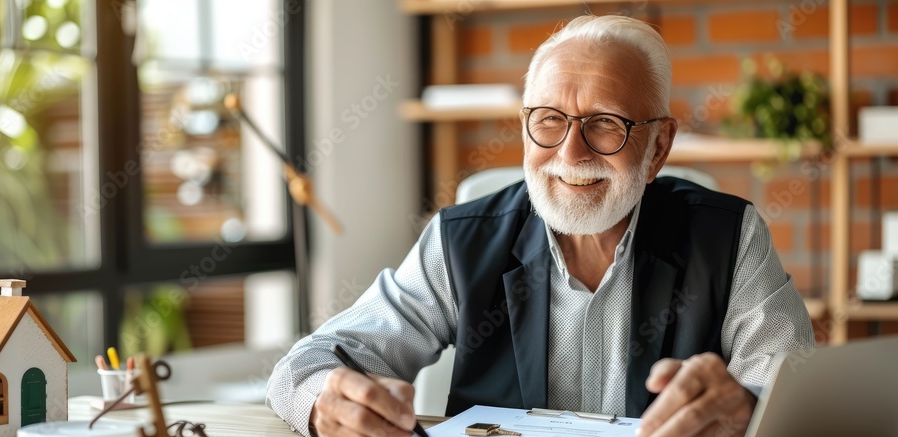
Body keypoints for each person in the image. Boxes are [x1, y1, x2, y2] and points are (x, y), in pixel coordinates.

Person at [267, 14, 815, 437]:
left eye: (606, 124)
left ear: (658, 148)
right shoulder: (461, 240)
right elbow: (306, 365)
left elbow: (800, 400)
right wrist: (325, 403)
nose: (570, 154)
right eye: (549, 121)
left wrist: (749, 411)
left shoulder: (729, 238)